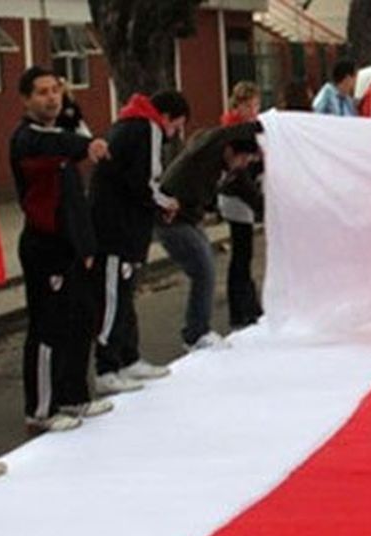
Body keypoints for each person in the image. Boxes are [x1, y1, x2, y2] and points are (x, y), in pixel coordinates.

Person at [10, 66, 112, 432]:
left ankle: (73, 396)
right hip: (45, 246)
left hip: (73, 245)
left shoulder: (62, 132)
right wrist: (86, 145)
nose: (51, 97)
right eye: (42, 92)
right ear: (25, 99)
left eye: (56, 90)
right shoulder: (28, 140)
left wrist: (86, 245)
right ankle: (40, 410)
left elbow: (77, 145)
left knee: (81, 320)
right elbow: (63, 145)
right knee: (48, 329)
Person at [90, 90, 188, 396]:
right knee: (113, 298)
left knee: (125, 294)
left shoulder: (128, 125)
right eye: (177, 126)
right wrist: (165, 203)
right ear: (168, 117)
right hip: (115, 229)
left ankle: (128, 357)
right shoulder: (148, 128)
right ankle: (106, 368)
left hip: (124, 226)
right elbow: (146, 180)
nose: (174, 134)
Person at [157, 124, 263, 351]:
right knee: (203, 269)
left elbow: (251, 195)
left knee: (206, 268)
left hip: (189, 218)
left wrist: (269, 212)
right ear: (229, 151)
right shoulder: (207, 150)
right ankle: (195, 333)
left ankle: (197, 330)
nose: (244, 165)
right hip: (170, 219)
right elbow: (222, 134)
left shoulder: (232, 170)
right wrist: (266, 125)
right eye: (243, 158)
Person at [219, 81, 265, 328]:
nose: (254, 110)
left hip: (241, 196)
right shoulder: (235, 130)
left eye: (256, 105)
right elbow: (239, 171)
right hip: (237, 197)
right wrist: (260, 206)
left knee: (243, 254)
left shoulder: (241, 128)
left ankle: (247, 307)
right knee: (241, 253)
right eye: (249, 105)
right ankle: (241, 310)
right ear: (239, 105)